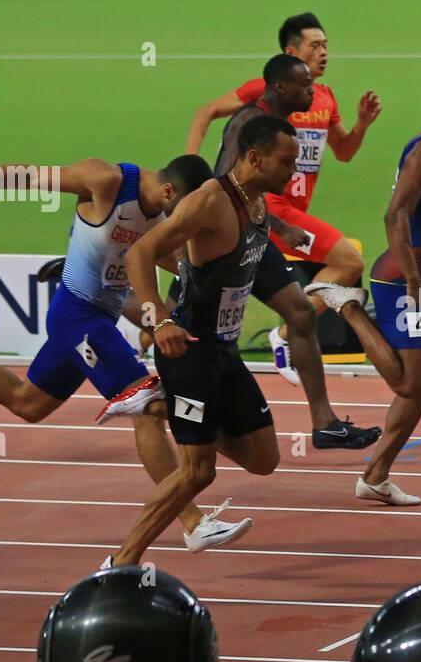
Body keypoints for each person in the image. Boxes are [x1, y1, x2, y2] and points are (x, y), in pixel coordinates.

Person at [0, 155, 253, 552]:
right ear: (169, 192)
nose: (187, 222)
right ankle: (191, 522)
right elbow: (28, 177)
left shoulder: (164, 218)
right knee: (148, 406)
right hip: (76, 316)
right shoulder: (105, 181)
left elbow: (183, 269)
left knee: (28, 403)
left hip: (101, 315)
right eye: (185, 211)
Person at [108, 115, 298, 567]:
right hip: (188, 349)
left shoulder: (255, 203)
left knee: (264, 458)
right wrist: (157, 322)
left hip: (224, 351)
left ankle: (162, 405)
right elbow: (141, 252)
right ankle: (120, 563)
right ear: (254, 158)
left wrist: (286, 234)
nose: (295, 171)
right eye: (287, 162)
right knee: (198, 471)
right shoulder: (211, 201)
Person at [176, 51, 381, 450]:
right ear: (282, 87)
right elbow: (223, 180)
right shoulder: (251, 122)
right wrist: (278, 225)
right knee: (190, 325)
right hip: (222, 243)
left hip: (253, 230)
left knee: (301, 312)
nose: (312, 91)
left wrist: (276, 226)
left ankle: (324, 423)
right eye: (305, 85)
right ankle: (149, 382)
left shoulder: (276, 123)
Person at [308, 83, 421, 506]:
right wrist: (411, 277)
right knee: (410, 382)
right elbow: (395, 214)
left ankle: (376, 475)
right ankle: (348, 306)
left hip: (414, 284)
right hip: (398, 282)